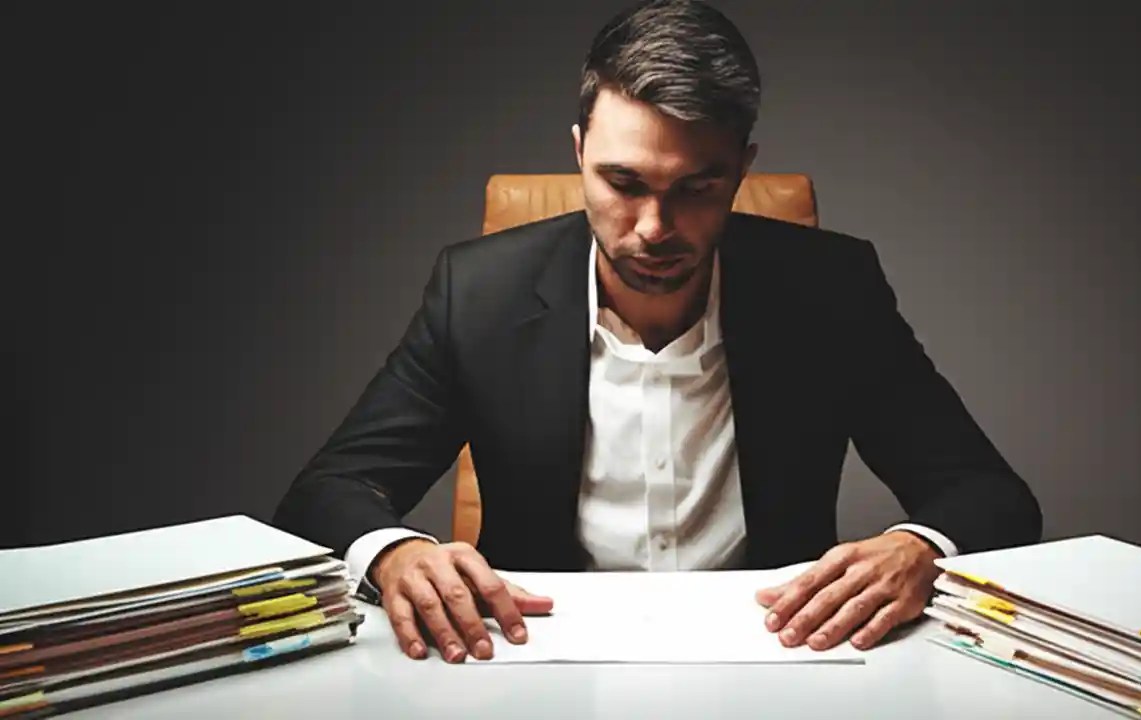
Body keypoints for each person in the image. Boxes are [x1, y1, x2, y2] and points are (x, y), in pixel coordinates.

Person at [274, 0, 1041, 665]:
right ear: (579, 155)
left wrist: (921, 549)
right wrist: (395, 552)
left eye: (697, 189)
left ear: (741, 170)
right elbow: (327, 492)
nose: (654, 229)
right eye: (623, 182)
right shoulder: (477, 294)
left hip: (780, 665)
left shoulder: (830, 291)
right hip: (534, 666)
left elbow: (990, 495)